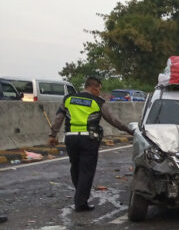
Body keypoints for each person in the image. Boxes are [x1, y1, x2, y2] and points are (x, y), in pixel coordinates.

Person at [48, 76, 132, 212]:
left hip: (70, 139)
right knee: (86, 171)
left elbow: (59, 118)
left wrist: (52, 135)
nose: (99, 92)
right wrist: (130, 130)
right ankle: (81, 203)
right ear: (94, 88)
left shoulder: (68, 99)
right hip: (89, 139)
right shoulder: (98, 102)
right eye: (99, 89)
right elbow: (114, 121)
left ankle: (79, 195)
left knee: (75, 168)